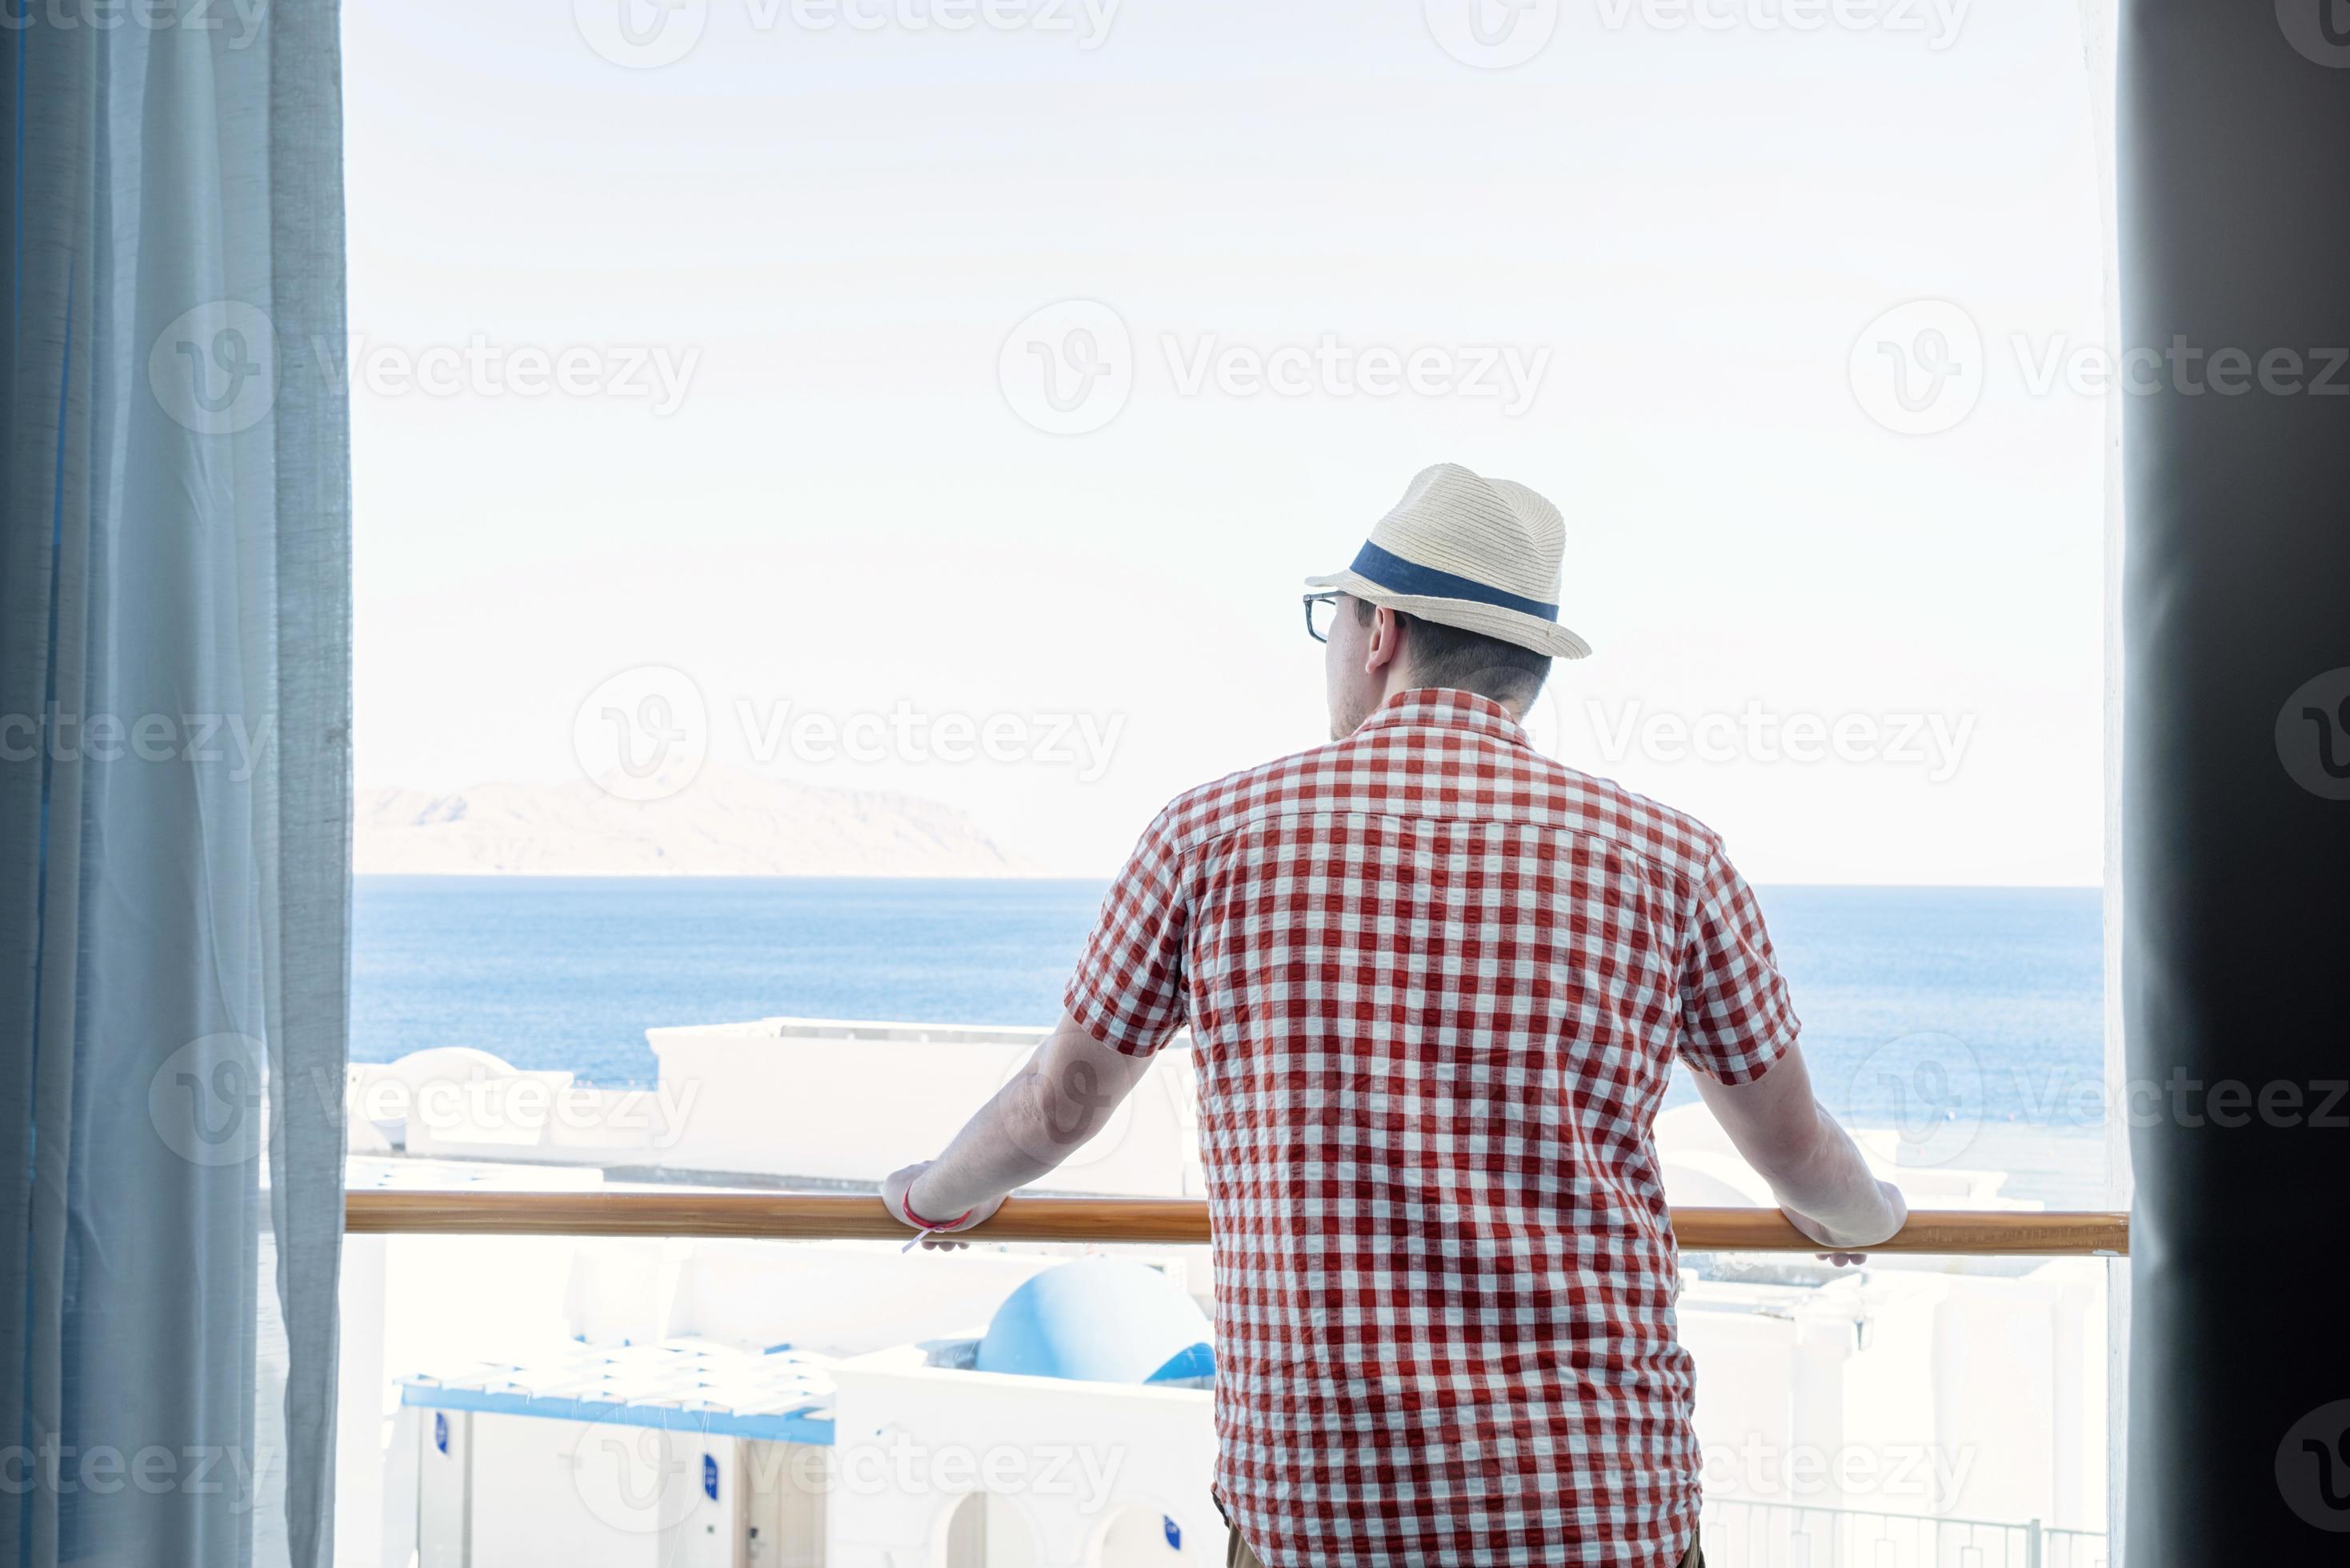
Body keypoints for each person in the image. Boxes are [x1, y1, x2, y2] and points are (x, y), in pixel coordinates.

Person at [882, 462, 1907, 1567]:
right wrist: (1867, 1221)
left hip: (1322, 1517)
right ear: (1525, 671)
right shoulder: (1670, 860)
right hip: (1595, 1505)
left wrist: (934, 1194)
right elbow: (1799, 1157)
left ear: (1379, 636)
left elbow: (1061, 1103)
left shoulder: (1211, 836)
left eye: (1335, 619)